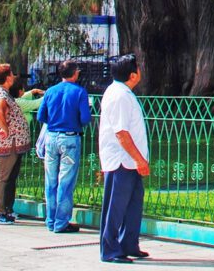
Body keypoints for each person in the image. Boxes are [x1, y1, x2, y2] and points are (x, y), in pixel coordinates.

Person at [98, 54, 151, 264]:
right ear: (132, 74)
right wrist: (139, 159)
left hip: (130, 161)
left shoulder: (124, 93)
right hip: (122, 160)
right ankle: (110, 249)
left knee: (133, 204)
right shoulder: (118, 96)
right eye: (138, 67)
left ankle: (129, 243)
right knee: (116, 205)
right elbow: (121, 133)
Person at [37, 59, 93, 233]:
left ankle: (50, 219)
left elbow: (41, 116)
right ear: (75, 73)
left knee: (51, 180)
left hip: (51, 136)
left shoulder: (51, 91)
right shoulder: (79, 92)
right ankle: (61, 221)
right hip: (70, 137)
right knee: (66, 181)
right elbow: (85, 119)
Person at [0, 62, 31, 226]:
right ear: (6, 78)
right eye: (11, 74)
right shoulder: (2, 95)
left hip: (2, 142)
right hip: (5, 143)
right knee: (0, 178)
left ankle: (0, 211)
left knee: (0, 178)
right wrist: (5, 129)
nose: (13, 77)